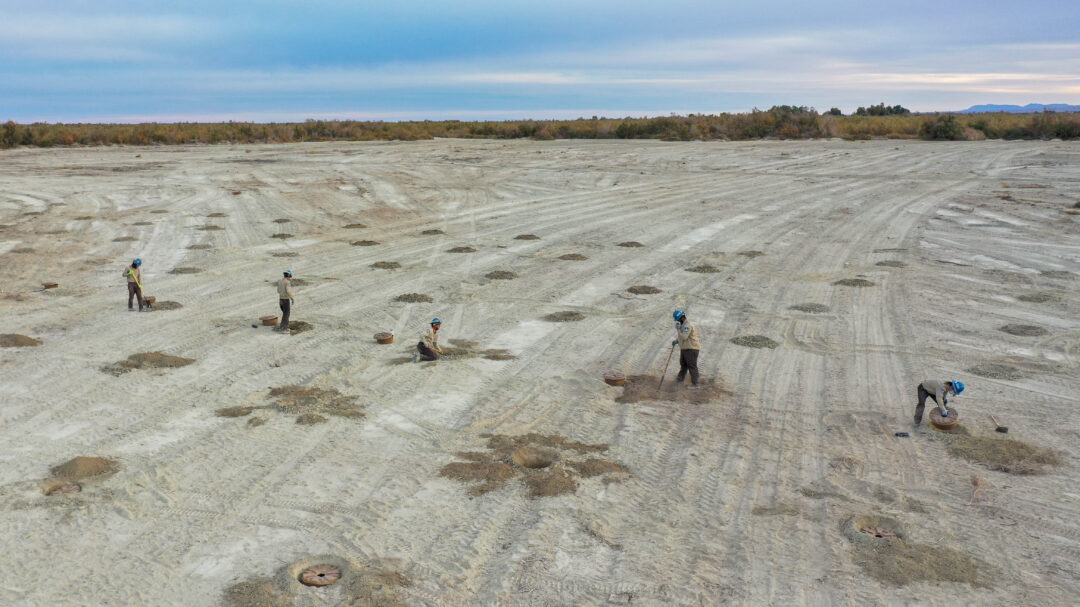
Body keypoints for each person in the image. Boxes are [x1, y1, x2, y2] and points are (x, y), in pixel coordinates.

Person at [671, 310, 701, 386]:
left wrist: (678, 329)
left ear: (681, 318)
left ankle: (695, 384)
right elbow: (682, 337)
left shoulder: (687, 325)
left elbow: (684, 337)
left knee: (692, 366)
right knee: (683, 365)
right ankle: (680, 379)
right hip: (685, 348)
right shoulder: (683, 325)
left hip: (691, 348)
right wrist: (677, 341)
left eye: (677, 319)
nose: (677, 321)